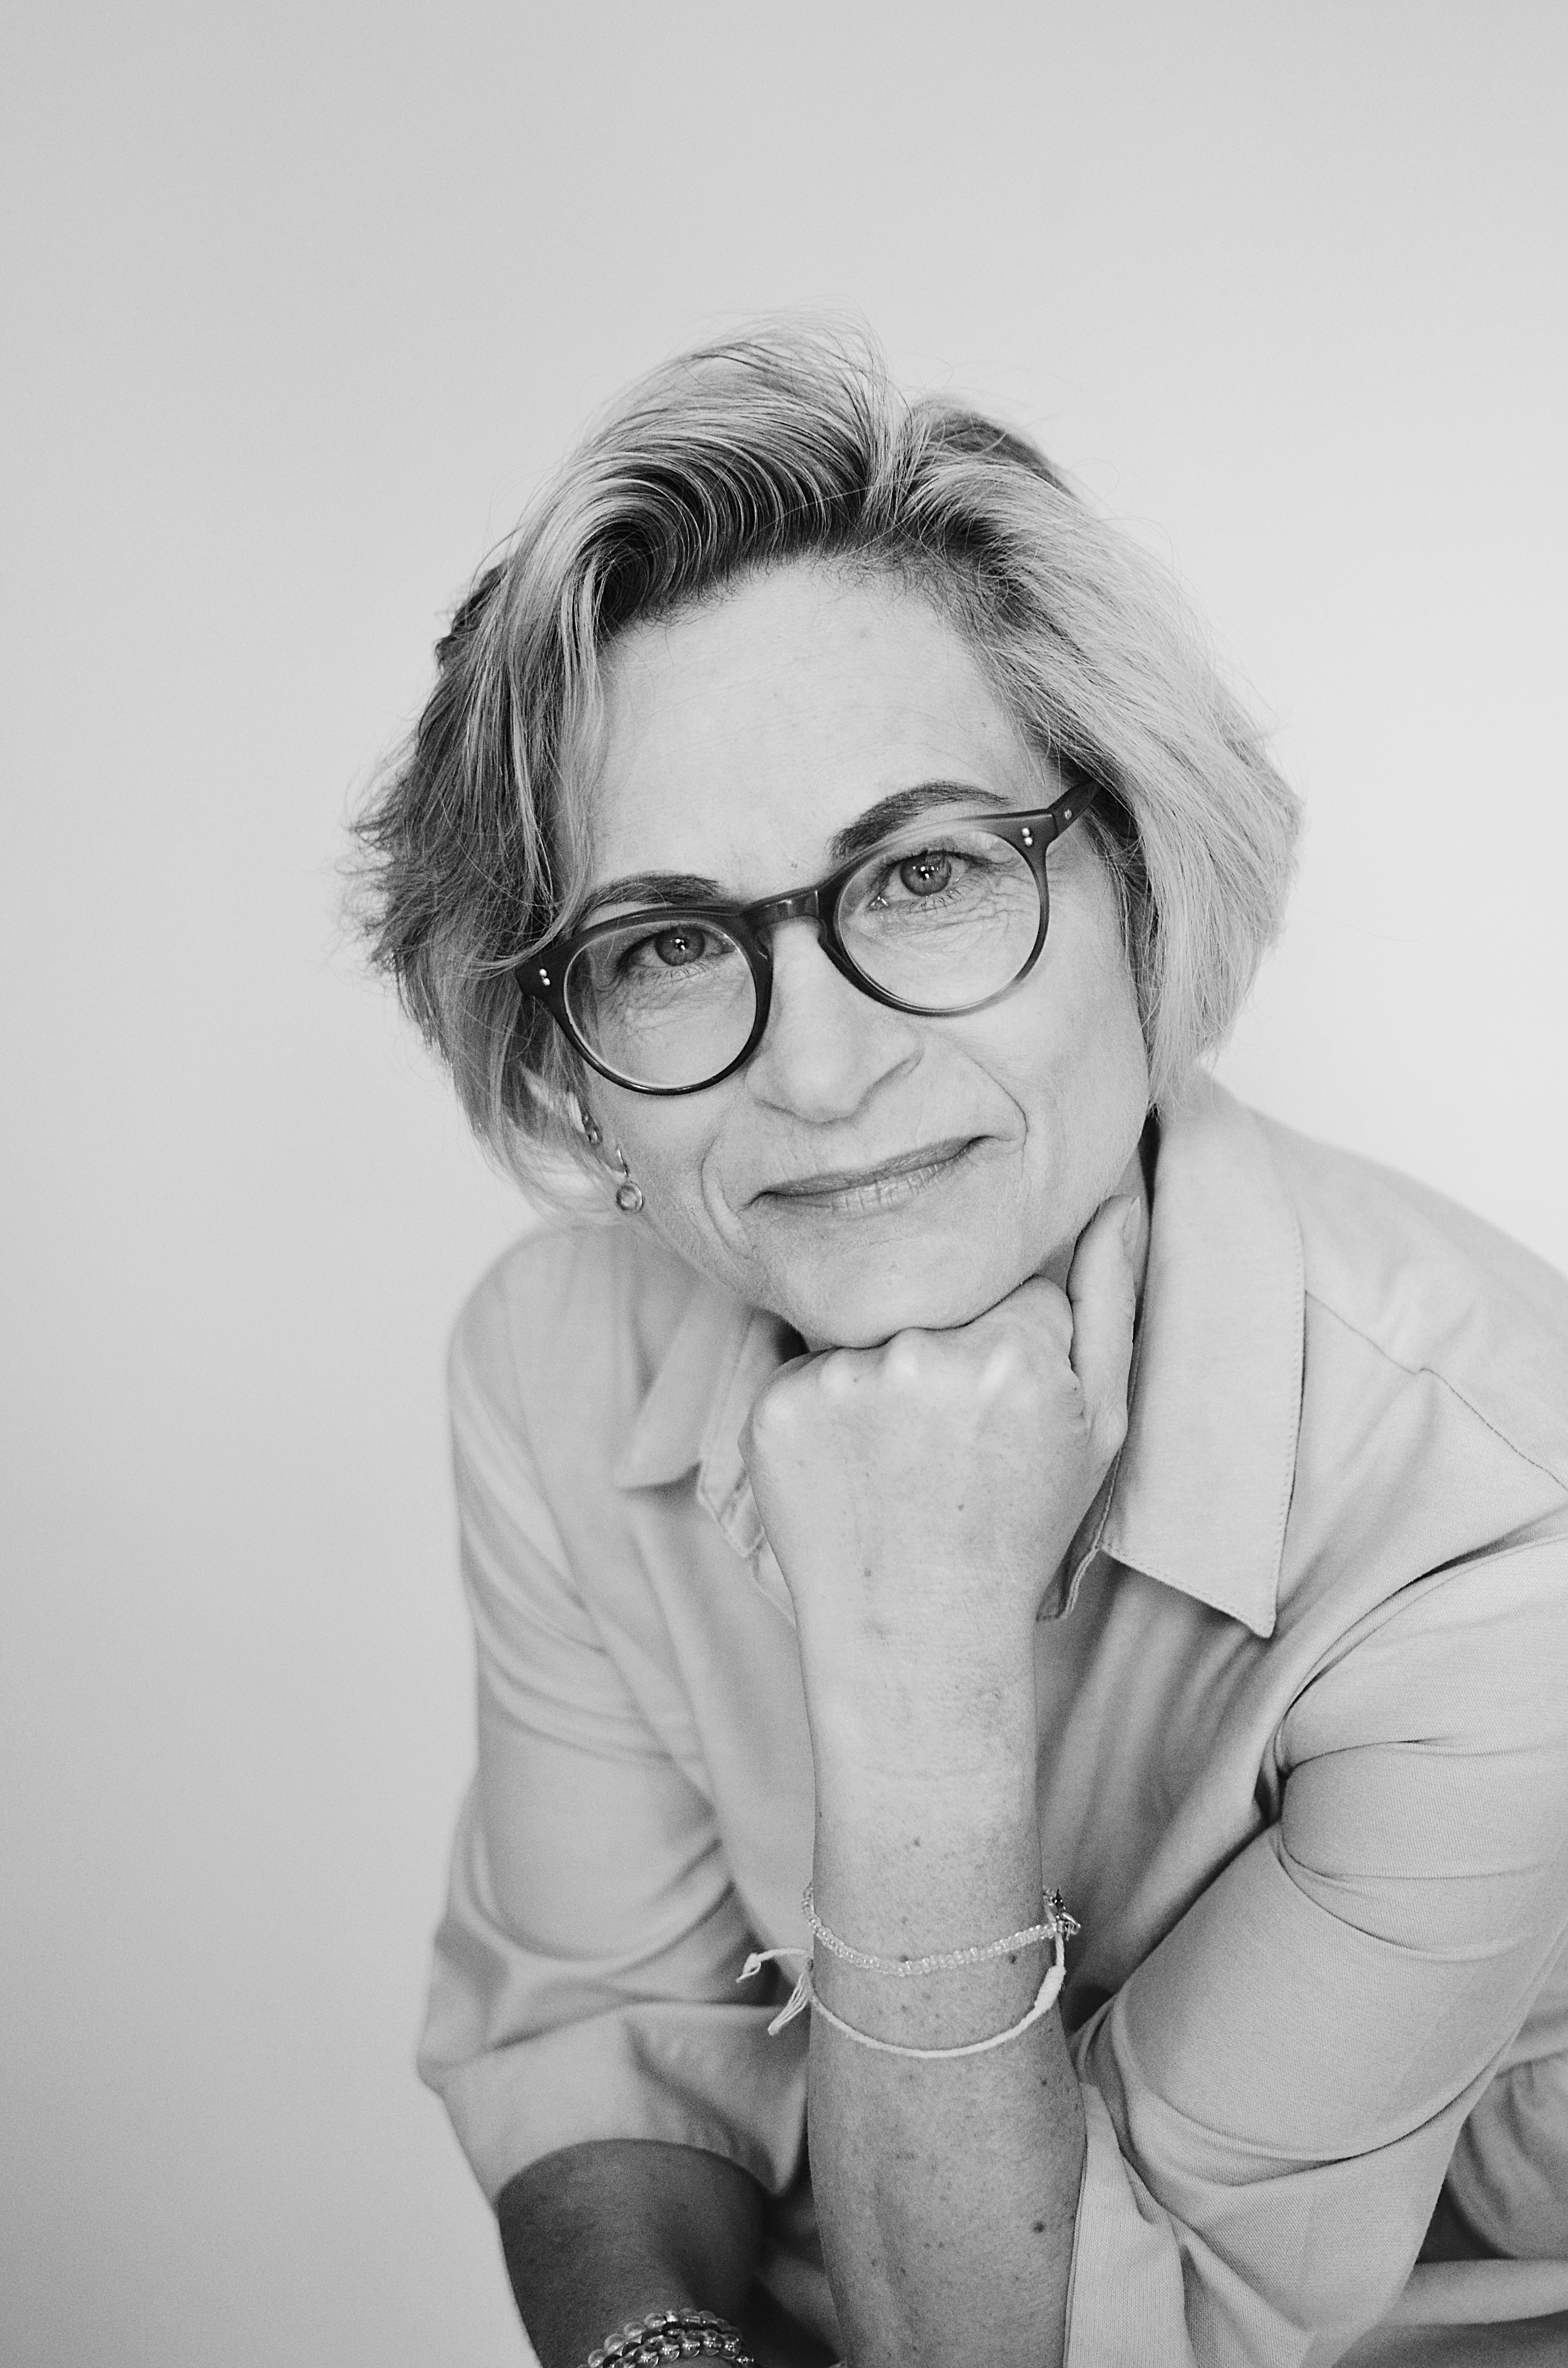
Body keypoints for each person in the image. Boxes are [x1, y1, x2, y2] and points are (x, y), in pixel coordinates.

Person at [354, 323, 1568, 2368]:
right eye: (665, 943)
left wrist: (919, 1669)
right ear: (561, 1045)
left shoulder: (1502, 1521)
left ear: (1143, 876)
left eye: (922, 874)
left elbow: (1089, 2345)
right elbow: (601, 2033)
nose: (819, 1074)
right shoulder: (553, 1365)